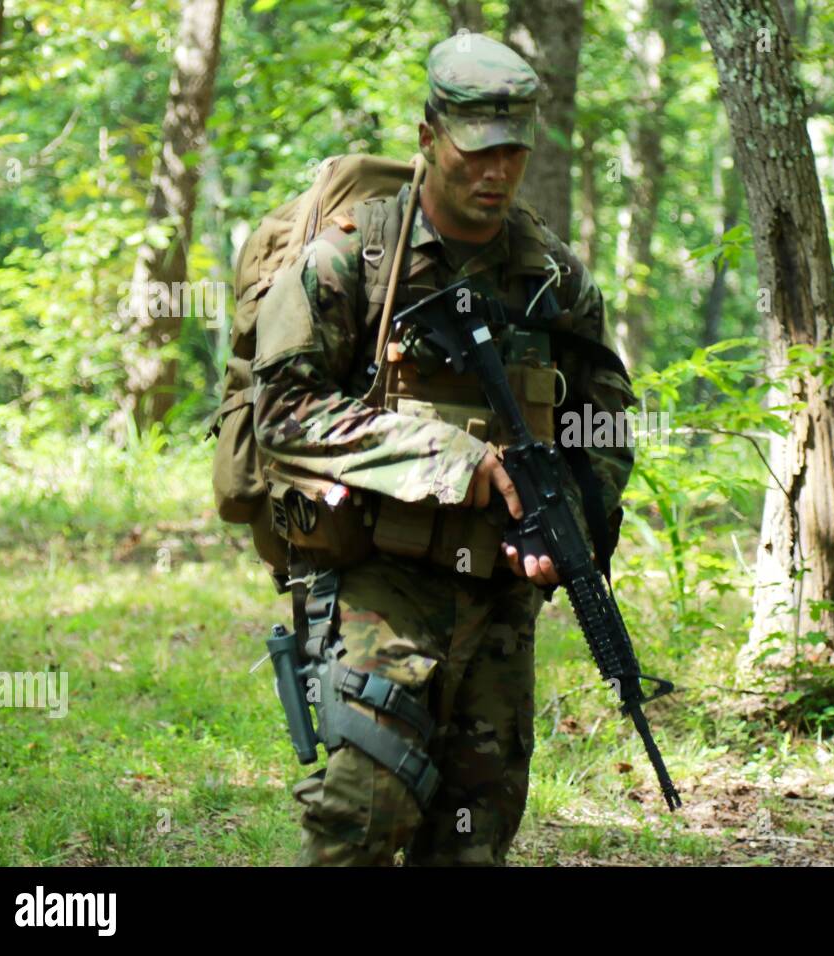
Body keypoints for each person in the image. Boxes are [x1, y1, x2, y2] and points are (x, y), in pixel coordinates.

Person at [250, 32, 635, 866]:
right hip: (378, 574)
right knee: (363, 813)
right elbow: (280, 410)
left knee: (473, 831)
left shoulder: (551, 278)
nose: (497, 171)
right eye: (476, 150)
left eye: (513, 151)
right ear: (429, 137)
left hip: (498, 594)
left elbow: (603, 424)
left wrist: (565, 520)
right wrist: (454, 460)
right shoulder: (351, 259)